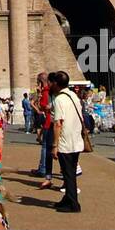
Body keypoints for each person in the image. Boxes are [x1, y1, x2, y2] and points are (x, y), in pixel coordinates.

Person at [42, 71, 85, 212]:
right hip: (76, 139)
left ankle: (73, 204)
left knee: (68, 173)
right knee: (70, 172)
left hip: (65, 141)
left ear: (55, 83)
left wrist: (55, 145)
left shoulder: (59, 99)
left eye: (51, 82)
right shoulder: (74, 96)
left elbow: (58, 123)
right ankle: (67, 198)